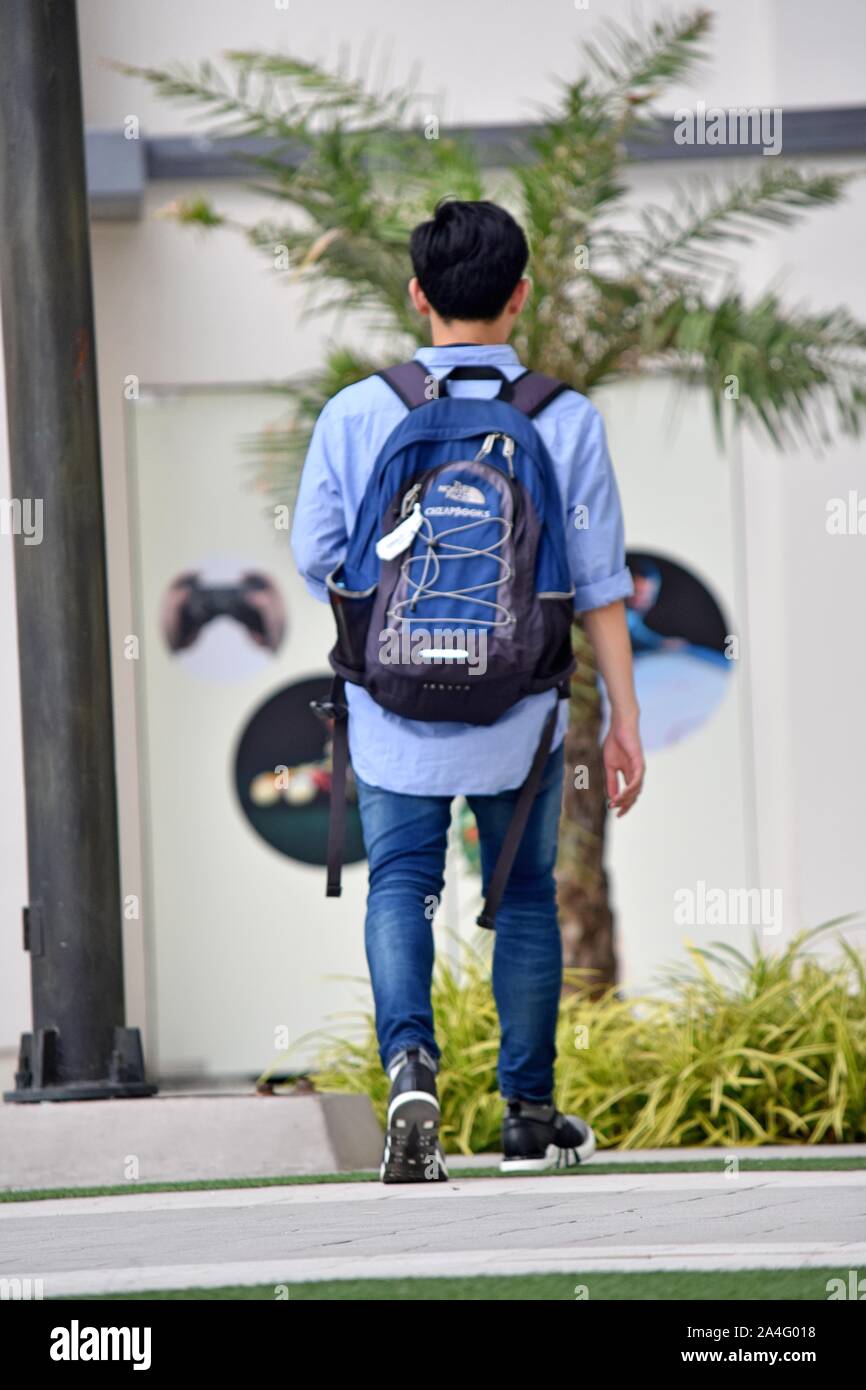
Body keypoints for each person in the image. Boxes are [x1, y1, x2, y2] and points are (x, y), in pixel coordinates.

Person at [292, 199, 644, 1182]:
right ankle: (527, 1119)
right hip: (520, 710)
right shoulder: (562, 419)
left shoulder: (360, 411)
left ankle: (411, 1069)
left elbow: (317, 552)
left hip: (391, 703)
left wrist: (399, 621)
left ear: (417, 295)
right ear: (518, 295)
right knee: (523, 892)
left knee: (399, 884)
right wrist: (622, 717)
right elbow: (601, 583)